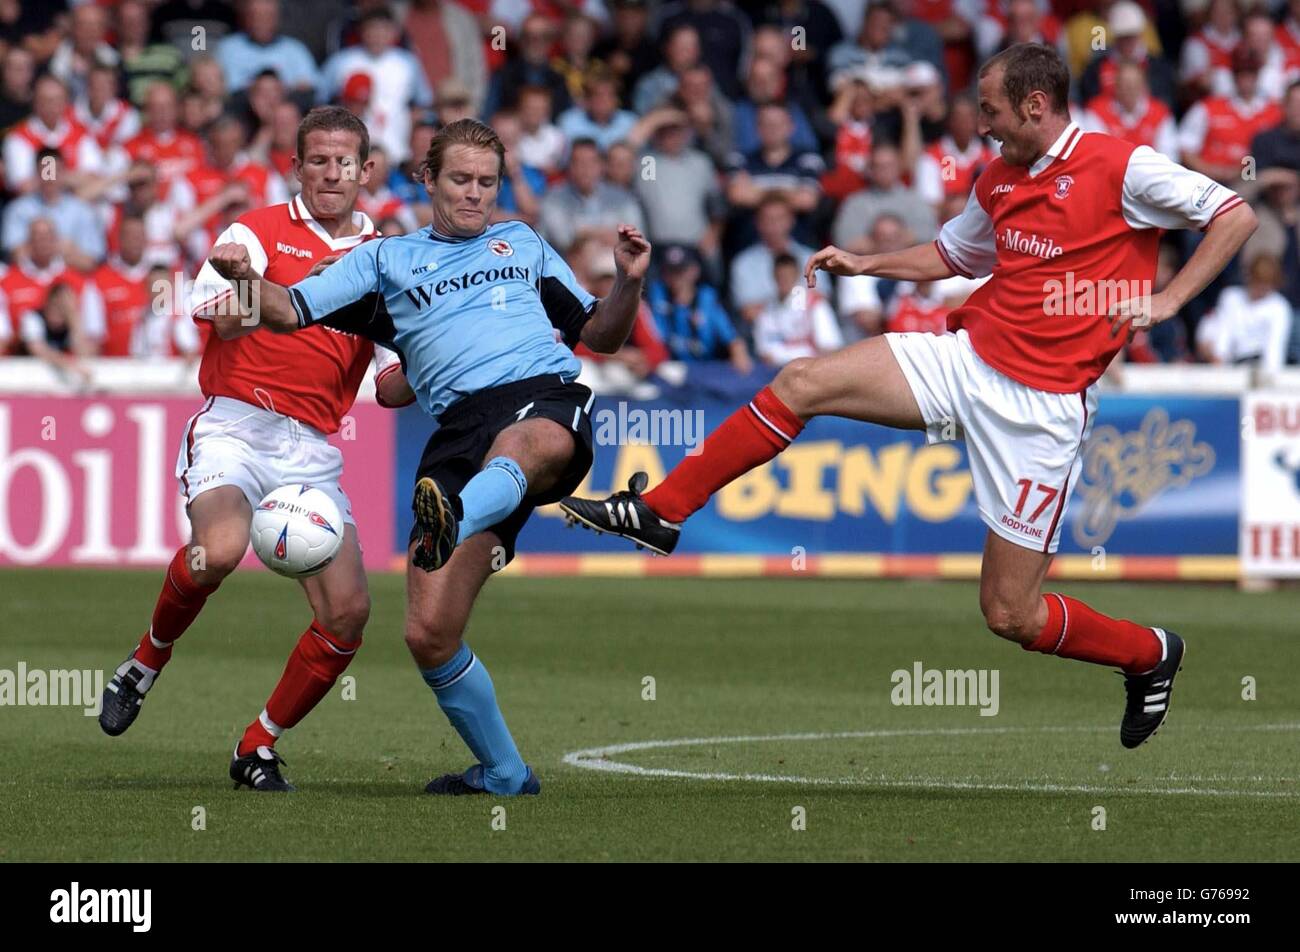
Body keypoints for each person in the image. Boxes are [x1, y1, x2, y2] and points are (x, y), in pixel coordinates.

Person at [560, 43, 1259, 750]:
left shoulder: (1123, 166)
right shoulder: (999, 178)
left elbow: (1233, 215)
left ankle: (1148, 654)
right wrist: (870, 264)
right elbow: (955, 254)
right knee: (802, 382)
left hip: (1041, 413)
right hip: (966, 360)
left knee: (1010, 613)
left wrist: (1169, 298)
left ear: (1035, 105)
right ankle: (661, 512)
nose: (984, 125)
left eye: (991, 110)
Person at [201, 118, 650, 796]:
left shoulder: (522, 243)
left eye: (488, 183)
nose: (475, 194)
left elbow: (601, 335)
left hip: (540, 398)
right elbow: (289, 308)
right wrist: (241, 278)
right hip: (456, 437)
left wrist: (628, 283)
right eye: (461, 180)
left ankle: (458, 515)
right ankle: (503, 774)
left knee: (530, 443)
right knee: (429, 632)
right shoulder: (384, 262)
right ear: (428, 181)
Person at [97, 107, 414, 793]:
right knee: (220, 549)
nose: (332, 173)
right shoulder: (254, 232)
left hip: (312, 449)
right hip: (237, 427)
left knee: (350, 613)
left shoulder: (387, 259)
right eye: (318, 161)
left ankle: (257, 745)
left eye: (345, 162)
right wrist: (244, 281)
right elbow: (224, 322)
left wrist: (432, 361)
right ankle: (146, 661)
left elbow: (389, 388)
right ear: (296, 167)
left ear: (366, 171)